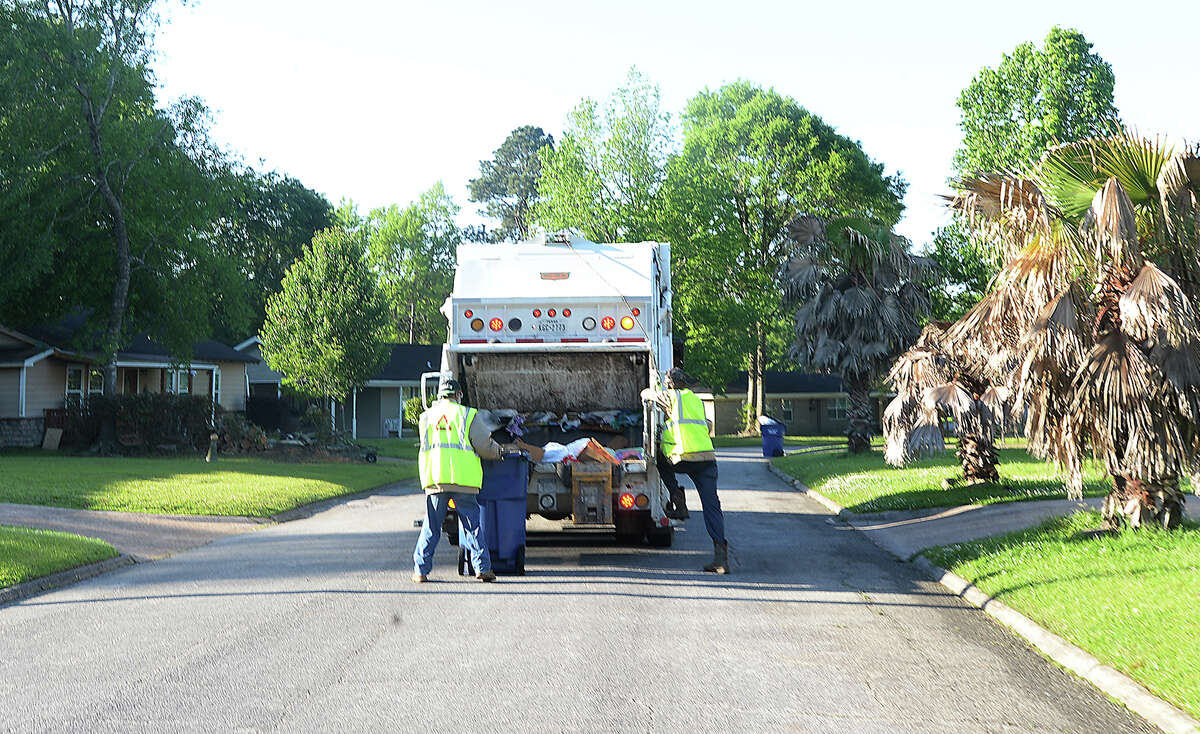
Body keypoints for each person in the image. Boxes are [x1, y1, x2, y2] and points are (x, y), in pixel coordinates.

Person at [412, 378, 505, 583]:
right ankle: (482, 568)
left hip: (435, 479)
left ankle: (420, 571)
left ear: (440, 395)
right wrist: (500, 452)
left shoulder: (426, 417)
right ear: (458, 395)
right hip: (463, 480)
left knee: (432, 526)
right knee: (472, 526)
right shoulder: (467, 414)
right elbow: (483, 445)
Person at [641, 367, 729, 574]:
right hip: (706, 458)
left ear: (670, 383)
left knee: (659, 461)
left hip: (681, 457)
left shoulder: (670, 397)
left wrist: (652, 389)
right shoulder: (696, 401)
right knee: (712, 506)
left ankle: (677, 497)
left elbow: (646, 394)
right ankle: (721, 558)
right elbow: (707, 425)